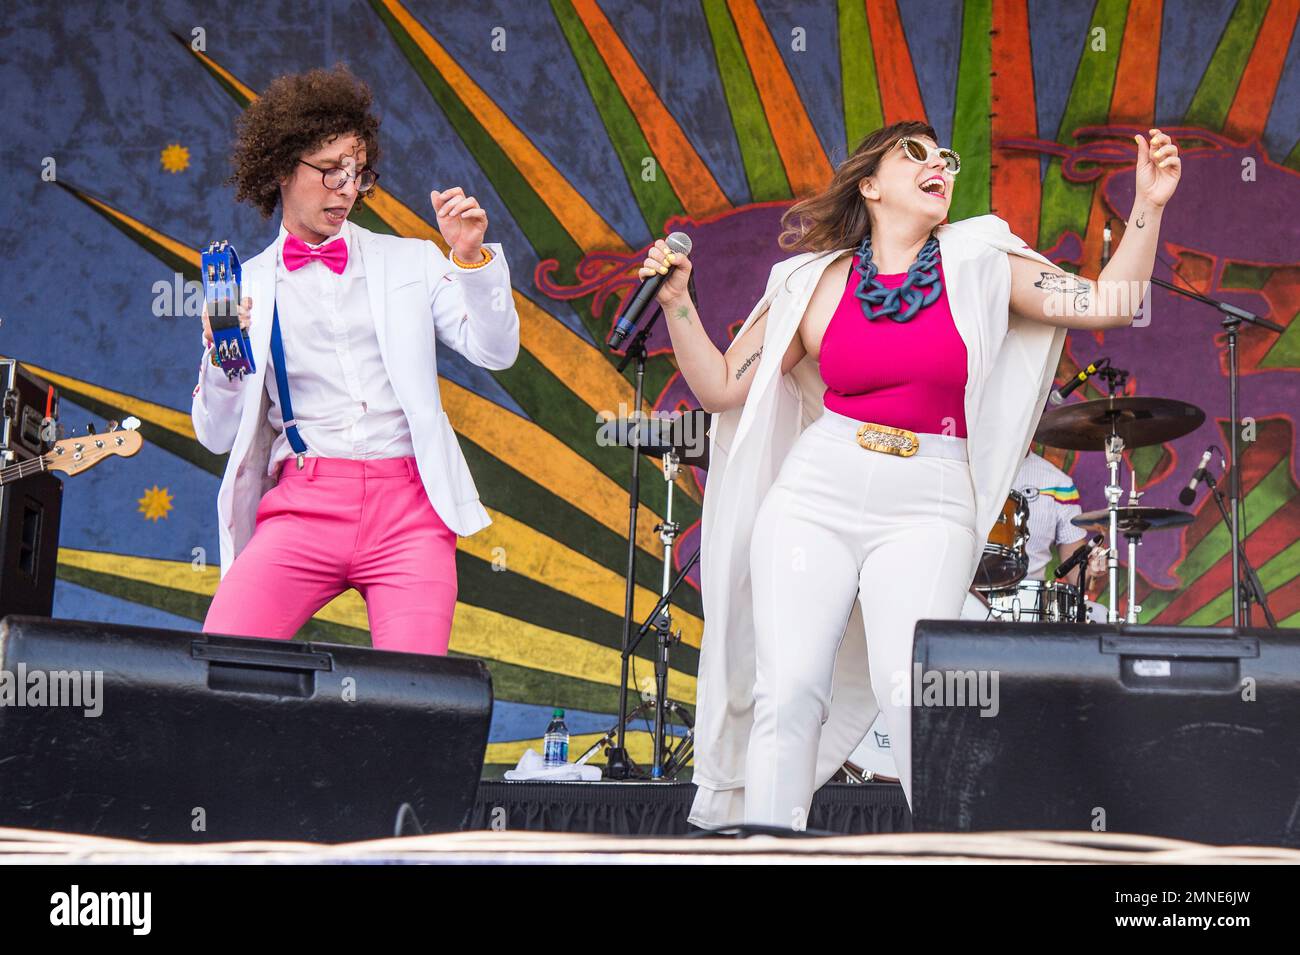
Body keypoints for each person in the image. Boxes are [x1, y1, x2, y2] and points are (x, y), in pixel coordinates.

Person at [641, 120, 1181, 828]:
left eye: (945, 158)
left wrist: (1149, 204)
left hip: (930, 494)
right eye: (916, 154)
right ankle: (767, 847)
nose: (939, 166)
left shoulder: (982, 256)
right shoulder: (813, 280)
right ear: (870, 184)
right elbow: (717, 385)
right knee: (790, 689)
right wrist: (678, 300)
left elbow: (1106, 301)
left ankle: (950, 847)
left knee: (918, 690)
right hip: (818, 485)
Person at [191, 65, 519, 656]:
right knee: (221, 668)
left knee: (414, 701)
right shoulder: (246, 286)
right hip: (302, 508)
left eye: (357, 173)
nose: (345, 188)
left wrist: (470, 260)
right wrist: (222, 356)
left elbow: (496, 351)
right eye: (330, 170)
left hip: (410, 513)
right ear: (281, 168)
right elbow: (215, 435)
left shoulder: (412, 261)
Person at [962, 449, 1110, 621]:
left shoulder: (1058, 483)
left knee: (1100, 616)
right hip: (967, 595)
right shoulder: (964, 470)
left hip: (1030, 602)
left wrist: (1090, 566)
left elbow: (1074, 574)